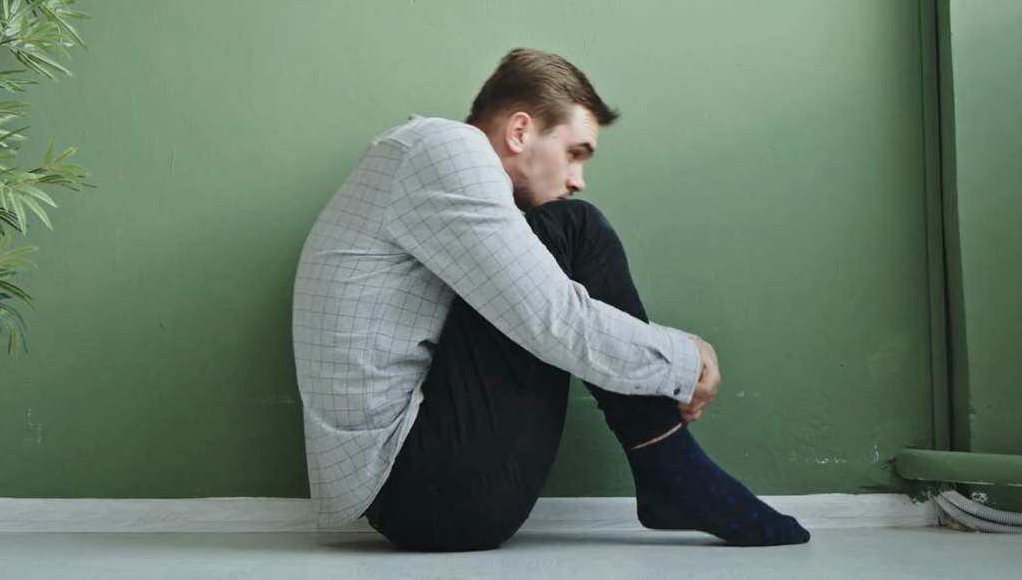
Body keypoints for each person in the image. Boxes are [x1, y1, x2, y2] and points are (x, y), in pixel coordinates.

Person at [291, 48, 810, 552]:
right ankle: (673, 469)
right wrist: (684, 356)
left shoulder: (421, 162)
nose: (577, 178)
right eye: (574, 153)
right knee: (575, 227)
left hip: (418, 494)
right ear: (520, 131)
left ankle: (671, 468)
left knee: (556, 240)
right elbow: (552, 317)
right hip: (431, 495)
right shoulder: (447, 148)